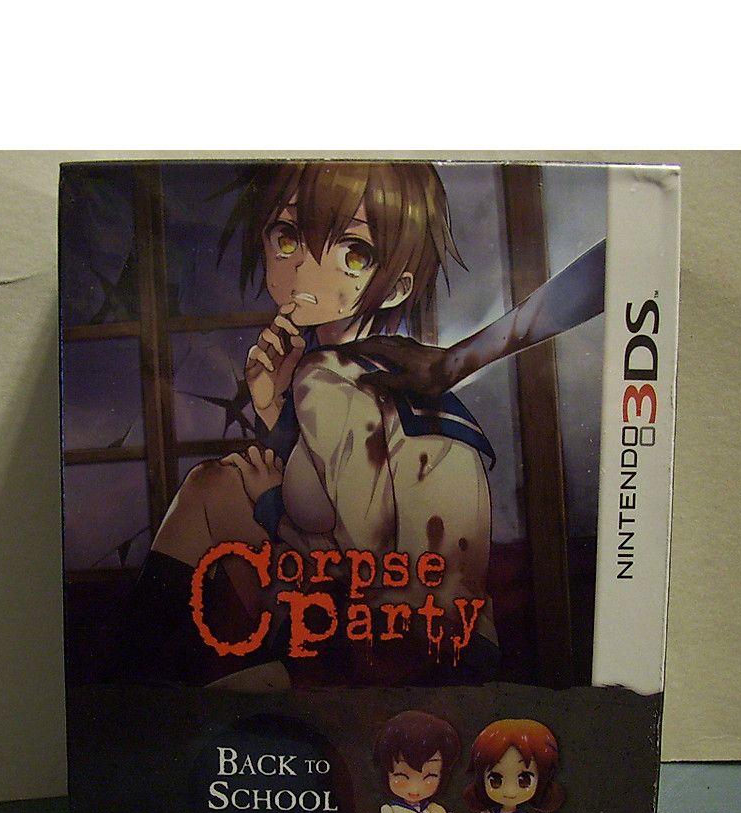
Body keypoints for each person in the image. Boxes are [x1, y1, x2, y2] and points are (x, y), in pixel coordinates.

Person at [122, 161, 497, 686]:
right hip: (378, 624)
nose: (305, 266)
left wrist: (269, 507)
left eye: (352, 253)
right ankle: (131, 683)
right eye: (288, 236)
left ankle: (130, 685)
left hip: (412, 650)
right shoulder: (346, 368)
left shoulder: (331, 380)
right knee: (214, 485)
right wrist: (274, 411)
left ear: (396, 287)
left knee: (219, 493)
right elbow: (328, 492)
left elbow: (367, 561)